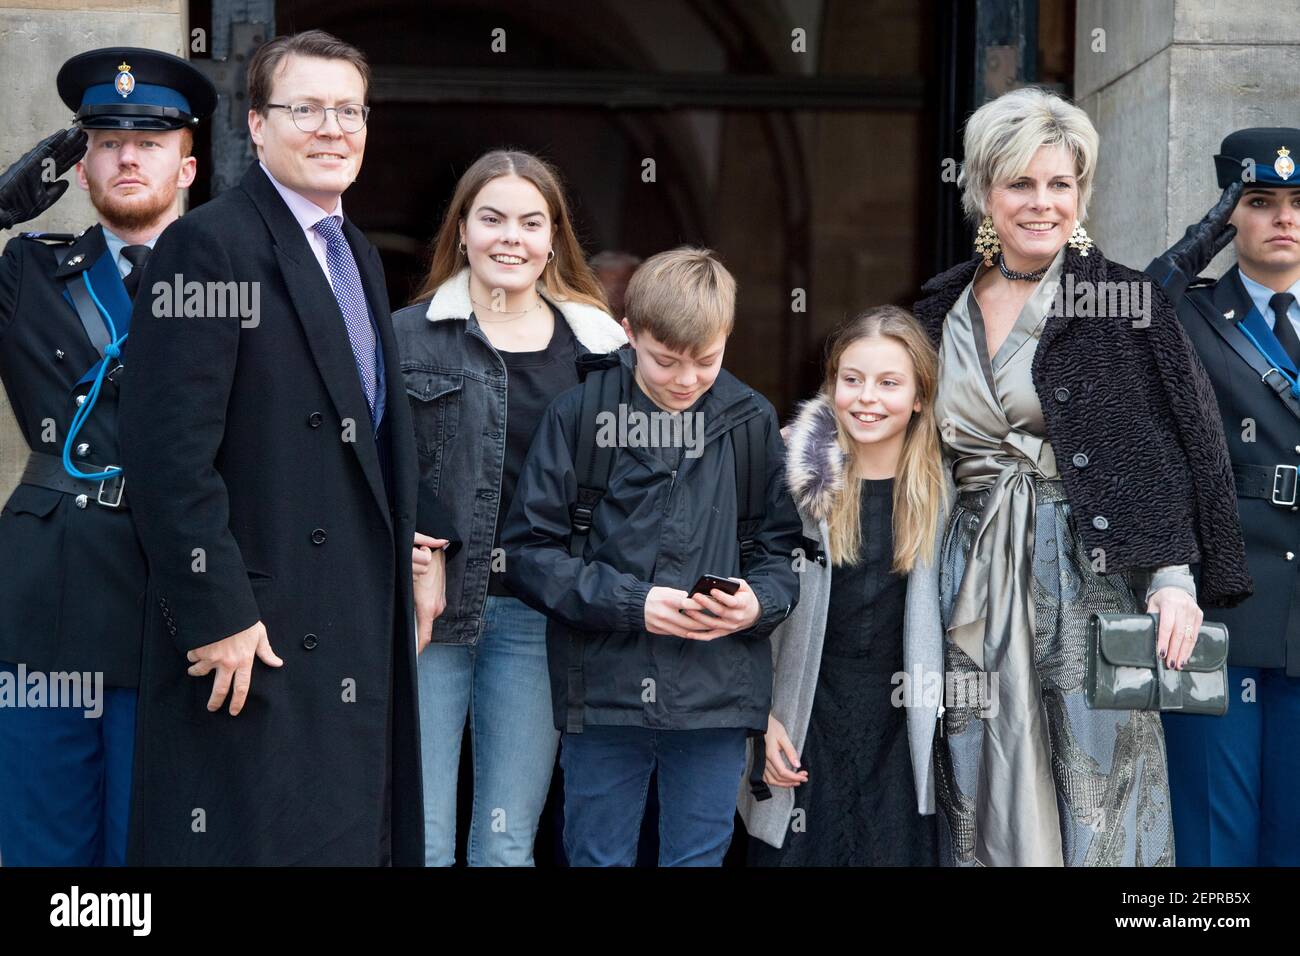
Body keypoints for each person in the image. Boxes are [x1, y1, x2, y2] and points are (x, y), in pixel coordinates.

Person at [117, 29, 458, 865]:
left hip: (354, 620)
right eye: (306, 108)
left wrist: (419, 556)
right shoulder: (209, 246)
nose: (332, 128)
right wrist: (216, 613)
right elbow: (165, 458)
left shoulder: (360, 257)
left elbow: (367, 436)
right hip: (255, 636)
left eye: (348, 110)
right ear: (258, 126)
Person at [913, 87, 1251, 866]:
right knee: (976, 784)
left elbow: (1181, 447)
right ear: (983, 194)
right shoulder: (935, 310)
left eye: (1060, 184)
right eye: (1021, 184)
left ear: (1082, 194)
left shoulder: (1127, 301)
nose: (1042, 204)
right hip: (961, 582)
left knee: (1103, 803)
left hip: (1089, 583)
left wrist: (1175, 577)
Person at [502, 247, 802, 866]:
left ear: (728, 338)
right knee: (597, 856)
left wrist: (757, 602)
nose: (687, 379)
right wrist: (635, 604)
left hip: (716, 696)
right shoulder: (581, 415)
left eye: (707, 361)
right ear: (628, 333)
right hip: (606, 688)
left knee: (697, 858)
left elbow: (781, 556)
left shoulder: (751, 423)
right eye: (666, 361)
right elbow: (528, 555)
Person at [0, 47, 214, 866]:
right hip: (48, 590)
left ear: (187, 165)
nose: (129, 155)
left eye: (151, 140)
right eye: (107, 141)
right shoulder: (28, 271)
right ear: (80, 169)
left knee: (151, 836)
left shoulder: (235, 286)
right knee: (40, 829)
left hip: (177, 591)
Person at [393, 150, 624, 866]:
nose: (510, 238)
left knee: (503, 842)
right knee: (421, 838)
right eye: (491, 218)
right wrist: (415, 547)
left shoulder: (601, 351)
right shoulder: (404, 335)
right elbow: (373, 467)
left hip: (536, 617)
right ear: (461, 231)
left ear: (554, 237)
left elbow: (632, 488)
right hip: (429, 611)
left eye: (531, 222)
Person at [739, 306, 945, 866]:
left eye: (889, 383)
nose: (866, 398)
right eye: (851, 380)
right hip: (805, 719)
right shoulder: (792, 477)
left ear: (921, 396)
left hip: (907, 735)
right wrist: (761, 712)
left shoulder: (950, 493)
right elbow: (741, 603)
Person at [1158, 127, 1300, 866]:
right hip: (1219, 611)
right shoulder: (1187, 313)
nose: (1284, 217)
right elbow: (1108, 333)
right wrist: (1192, 247)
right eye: (1260, 201)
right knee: (1214, 846)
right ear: (1228, 215)